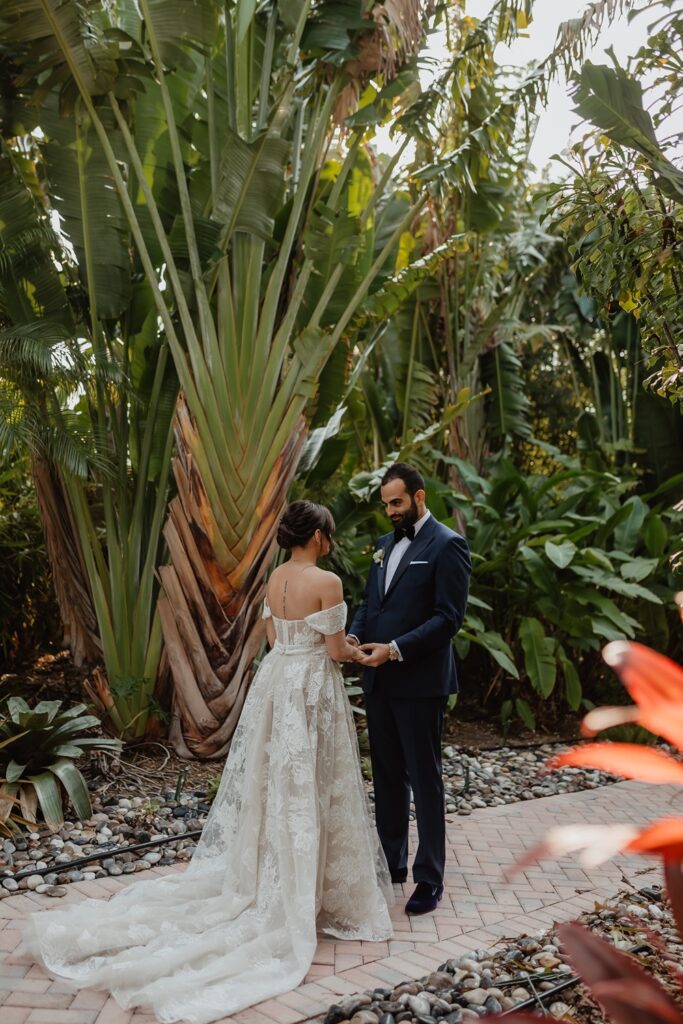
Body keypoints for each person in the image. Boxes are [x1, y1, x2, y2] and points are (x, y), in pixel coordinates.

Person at [23, 501, 393, 1024]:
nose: (330, 540)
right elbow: (333, 653)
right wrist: (365, 651)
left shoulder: (276, 578)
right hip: (309, 691)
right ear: (317, 535)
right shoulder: (326, 581)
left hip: (277, 684)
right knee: (310, 787)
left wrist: (319, 645)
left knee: (274, 788)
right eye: (328, 533)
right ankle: (306, 890)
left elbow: (273, 638)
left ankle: (279, 879)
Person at [349, 463, 471, 916]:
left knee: (425, 779)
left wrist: (396, 649)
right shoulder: (382, 546)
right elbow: (369, 602)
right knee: (387, 777)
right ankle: (391, 865)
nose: (391, 512)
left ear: (419, 497)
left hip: (419, 683)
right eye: (386, 505)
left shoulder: (447, 545)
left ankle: (429, 878)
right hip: (379, 680)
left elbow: (448, 619)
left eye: (396, 502)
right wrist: (357, 640)